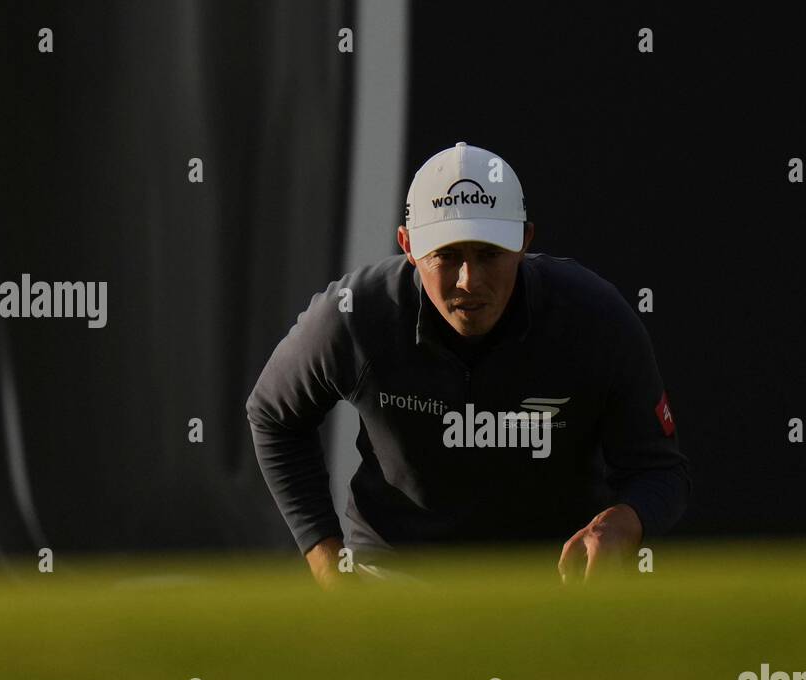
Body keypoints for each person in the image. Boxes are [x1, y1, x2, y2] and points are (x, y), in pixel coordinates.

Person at [246, 142, 690, 588]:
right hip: (391, 585)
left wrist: (619, 524)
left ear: (524, 241)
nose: (468, 281)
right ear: (409, 246)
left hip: (555, 584)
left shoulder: (594, 317)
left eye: (489, 253)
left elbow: (659, 471)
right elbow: (271, 414)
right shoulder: (356, 314)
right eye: (447, 254)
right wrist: (327, 563)